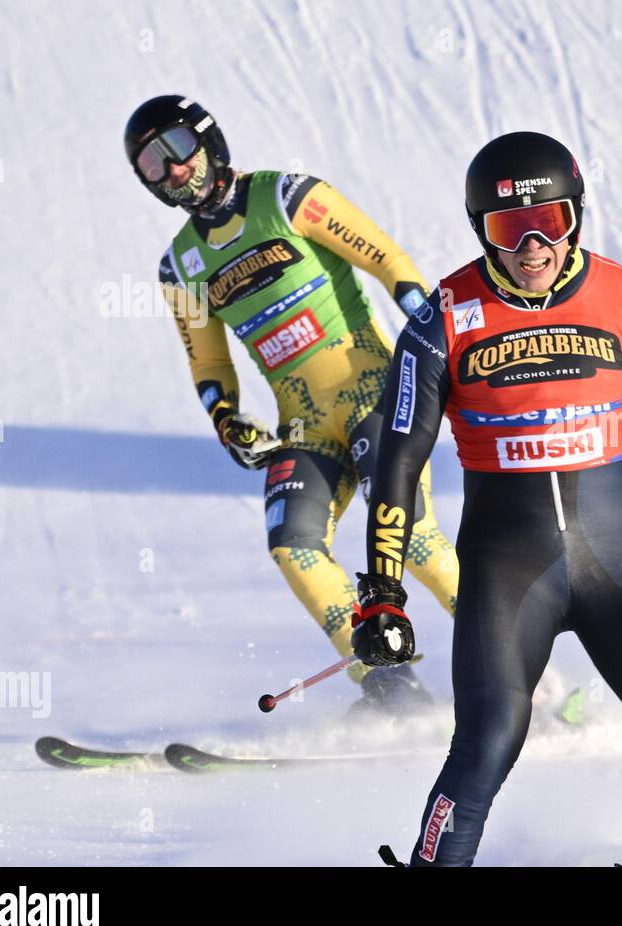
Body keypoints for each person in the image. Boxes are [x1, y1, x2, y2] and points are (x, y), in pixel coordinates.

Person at [352, 131, 622, 866]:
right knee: (485, 744)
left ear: (577, 216)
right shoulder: (440, 319)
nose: (532, 246)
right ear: (479, 229)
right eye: (508, 229)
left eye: (551, 223)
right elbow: (400, 457)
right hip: (512, 569)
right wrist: (382, 592)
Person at [124, 94, 458, 709]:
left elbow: (388, 260)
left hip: (375, 395)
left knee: (408, 535)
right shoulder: (180, 267)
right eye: (150, 164)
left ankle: (524, 668)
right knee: (293, 545)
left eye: (176, 149)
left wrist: (433, 336)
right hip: (303, 425)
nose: (171, 170)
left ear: (209, 141)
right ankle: (388, 681)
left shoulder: (286, 196)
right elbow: (209, 361)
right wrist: (227, 422)